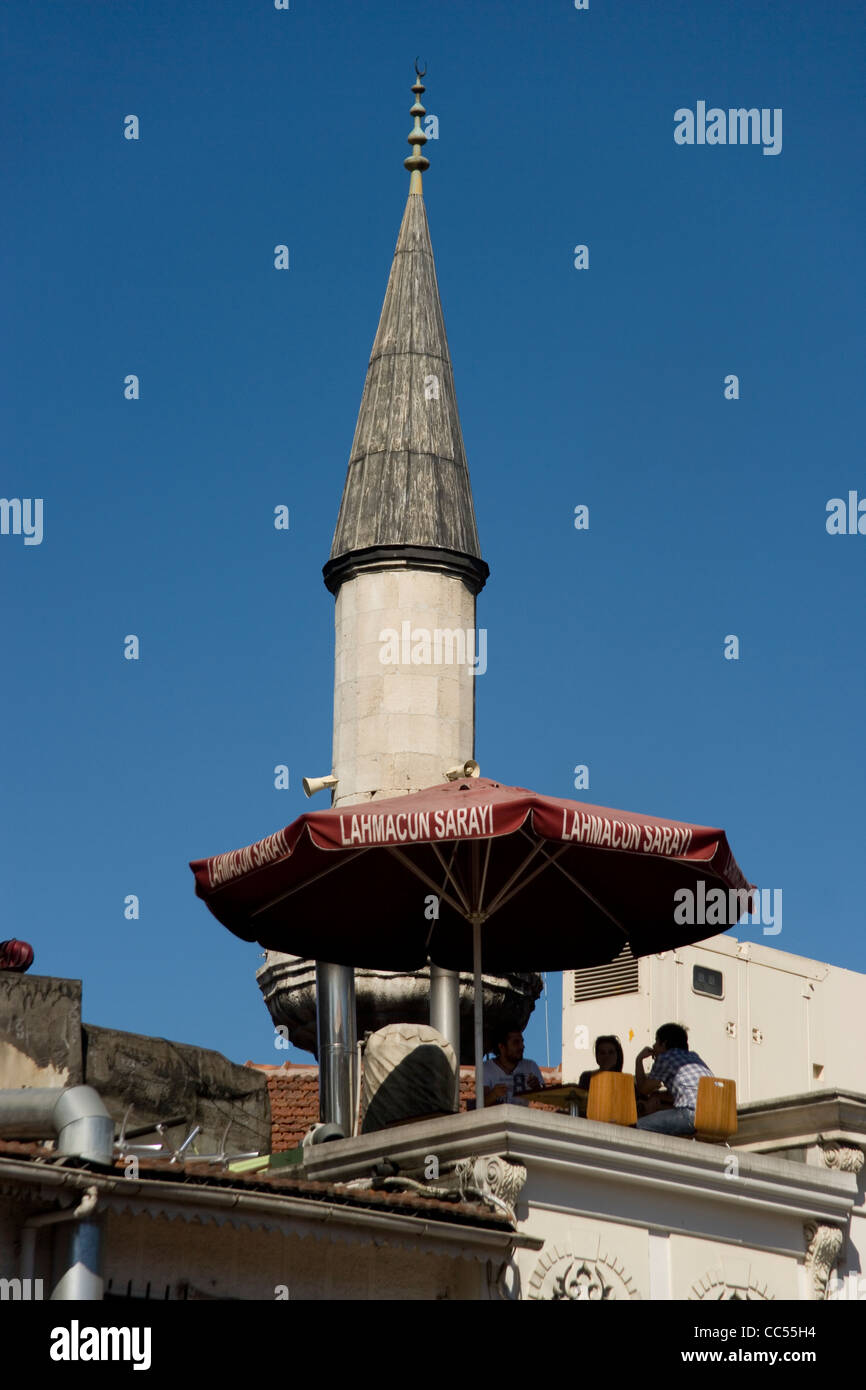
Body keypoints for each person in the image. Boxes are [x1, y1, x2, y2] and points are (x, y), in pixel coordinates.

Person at [634, 1023, 712, 1134]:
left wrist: (639, 1060)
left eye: (656, 1041)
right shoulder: (694, 1056)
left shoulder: (665, 1058)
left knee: (639, 1125)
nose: (654, 1045)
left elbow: (643, 1088)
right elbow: (685, 1091)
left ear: (664, 1044)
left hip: (691, 1115)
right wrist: (658, 1095)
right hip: (715, 1116)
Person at [482, 1028, 544, 1106]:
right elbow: (480, 1105)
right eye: (516, 1042)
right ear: (501, 1047)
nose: (522, 1046)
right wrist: (494, 1094)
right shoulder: (486, 1068)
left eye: (522, 1041)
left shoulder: (531, 1066)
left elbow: (544, 1100)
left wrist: (537, 1088)